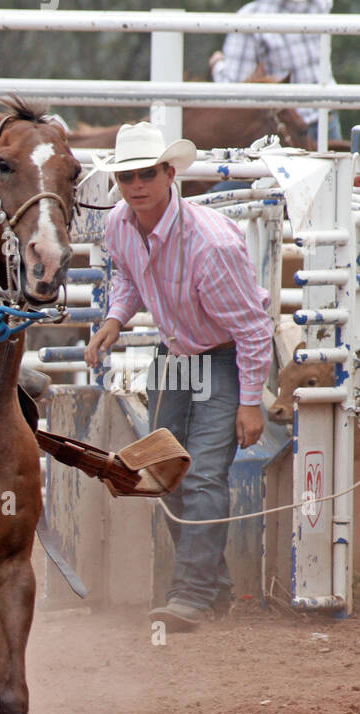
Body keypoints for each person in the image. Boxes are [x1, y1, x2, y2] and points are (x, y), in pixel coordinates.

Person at [84, 123, 272, 632]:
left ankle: (190, 595)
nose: (137, 185)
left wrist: (249, 400)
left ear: (170, 174)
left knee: (205, 473)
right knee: (164, 473)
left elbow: (253, 328)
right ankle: (212, 591)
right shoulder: (121, 226)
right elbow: (126, 274)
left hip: (222, 356)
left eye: (147, 174)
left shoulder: (211, 246)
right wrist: (113, 320)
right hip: (176, 354)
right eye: (127, 177)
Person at [209, 0, 341, 142]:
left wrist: (217, 65)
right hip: (318, 118)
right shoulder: (318, 4)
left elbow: (232, 85)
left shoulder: (251, 17)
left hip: (290, 129)